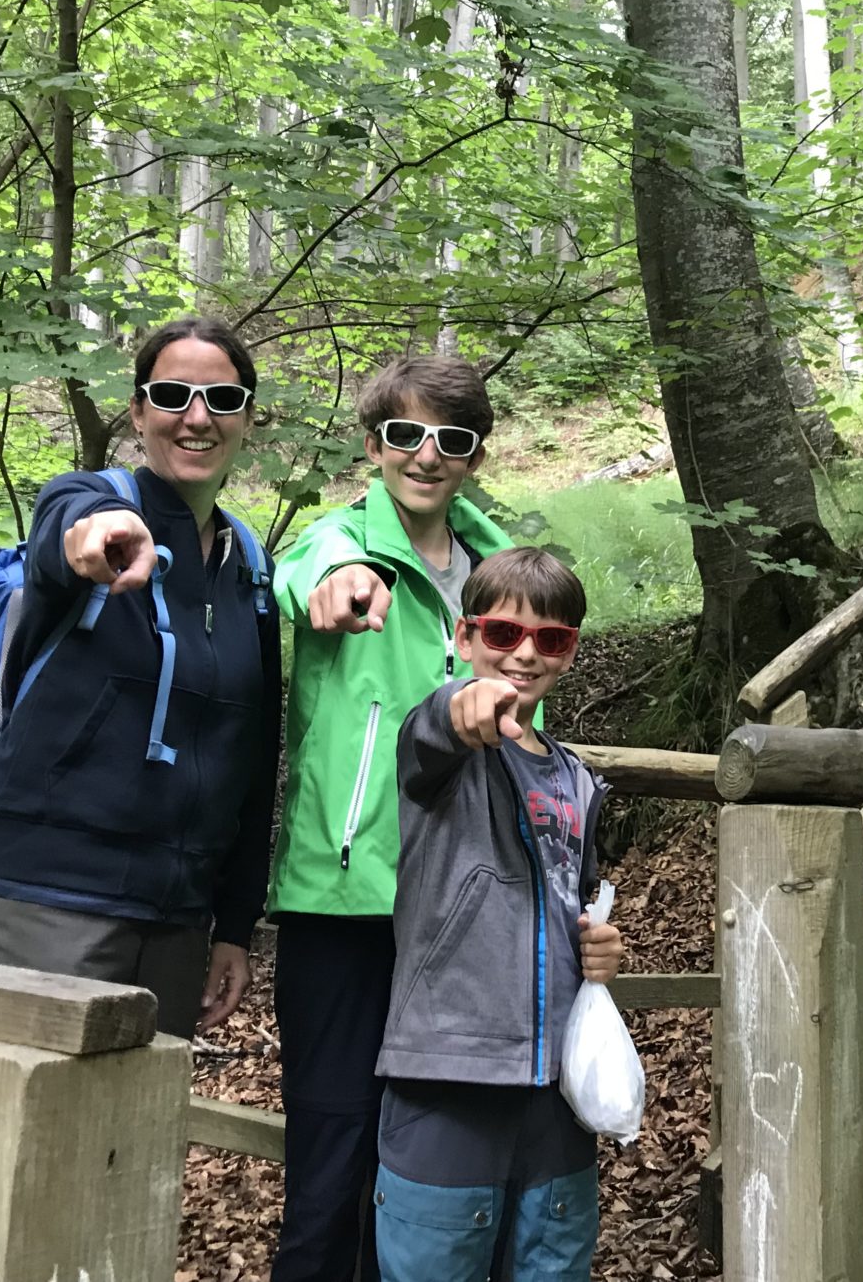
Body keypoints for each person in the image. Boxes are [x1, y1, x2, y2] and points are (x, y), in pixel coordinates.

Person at [0, 316, 279, 1038]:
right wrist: (95, 531)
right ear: (137, 411)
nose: (197, 417)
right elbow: (67, 526)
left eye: (222, 399)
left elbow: (253, 756)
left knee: (126, 1147)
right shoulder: (91, 500)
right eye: (172, 393)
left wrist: (234, 921)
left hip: (175, 917)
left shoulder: (248, 570)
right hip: (38, 895)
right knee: (7, 1138)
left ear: (249, 418)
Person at [269, 357, 522, 1281]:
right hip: (347, 900)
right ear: (373, 444)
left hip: (464, 913)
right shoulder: (336, 541)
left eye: (451, 440)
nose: (427, 455)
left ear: (473, 456)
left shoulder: (502, 572)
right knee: (331, 1164)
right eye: (407, 435)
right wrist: (339, 579)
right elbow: (303, 572)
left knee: (423, 1176)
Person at [374, 546, 626, 1282]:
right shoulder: (441, 747)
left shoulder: (576, 777)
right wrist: (461, 705)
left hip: (558, 1091)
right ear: (464, 636)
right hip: (447, 1074)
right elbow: (437, 729)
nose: (524, 654)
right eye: (502, 634)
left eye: (551, 639)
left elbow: (569, 899)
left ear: (570, 651)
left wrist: (599, 946)